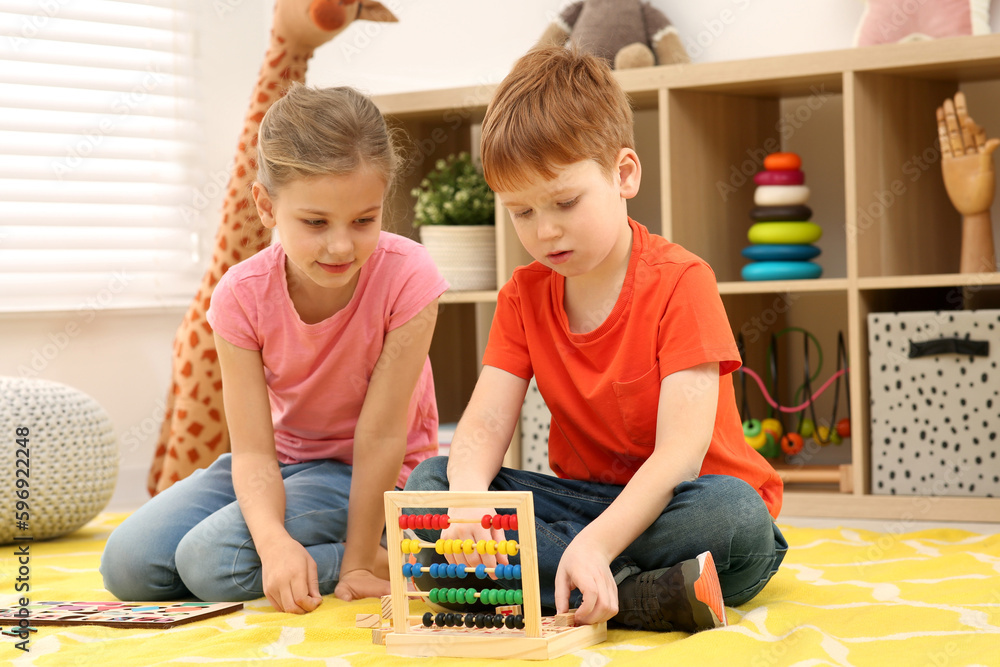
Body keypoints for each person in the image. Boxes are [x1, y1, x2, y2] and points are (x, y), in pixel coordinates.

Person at [404, 47, 786, 633]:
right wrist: (467, 508)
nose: (545, 230)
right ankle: (636, 598)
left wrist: (596, 544)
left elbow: (678, 458)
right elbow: (483, 426)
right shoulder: (522, 297)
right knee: (432, 486)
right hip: (585, 501)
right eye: (522, 212)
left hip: (683, 500)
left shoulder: (684, 282)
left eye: (564, 202)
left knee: (739, 522)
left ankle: (558, 580)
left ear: (624, 173)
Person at [102, 84, 449, 614]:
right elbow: (254, 450)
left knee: (208, 562)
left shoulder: (410, 278)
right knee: (126, 564)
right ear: (267, 205)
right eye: (315, 222)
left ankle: (379, 553)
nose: (341, 246)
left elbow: (381, 436)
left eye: (364, 220)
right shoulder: (241, 296)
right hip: (281, 463)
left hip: (373, 472)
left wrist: (353, 565)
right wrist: (272, 541)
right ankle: (299, 554)